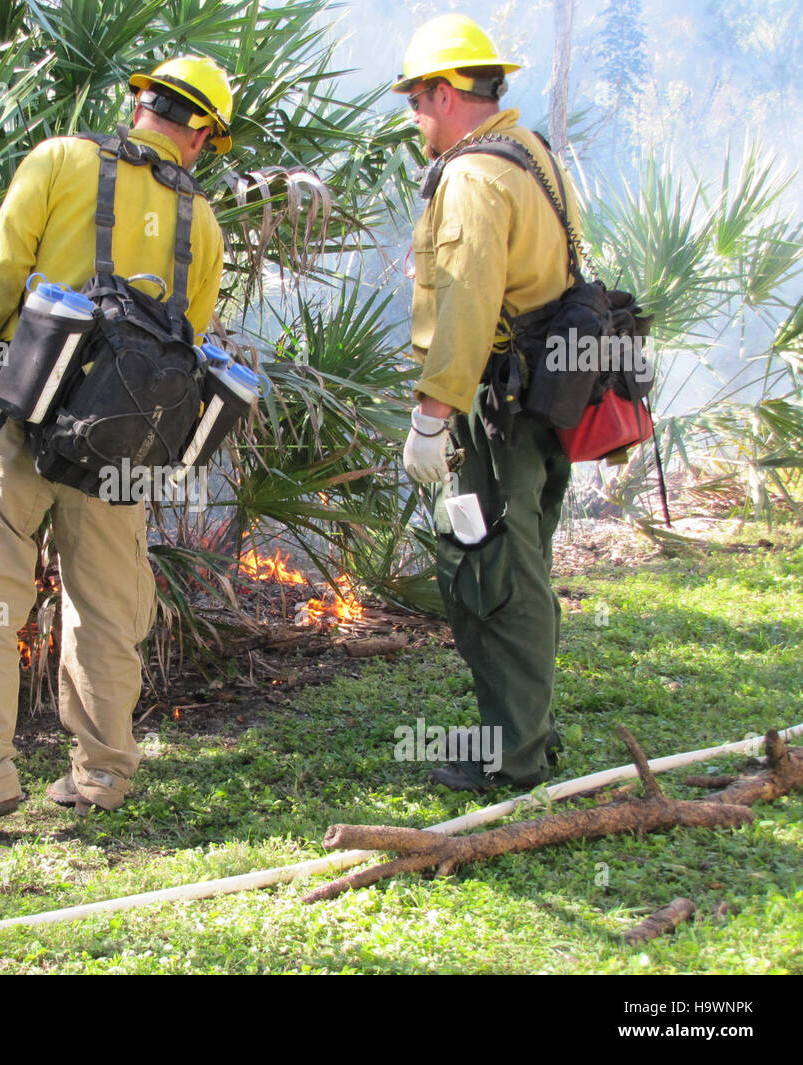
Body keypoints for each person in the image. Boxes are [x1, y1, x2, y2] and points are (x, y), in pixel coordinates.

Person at [0, 57, 232, 829]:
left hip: (21, 420)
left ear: (141, 107)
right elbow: (187, 346)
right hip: (119, 451)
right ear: (199, 136)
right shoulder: (207, 226)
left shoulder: (59, 160)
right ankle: (102, 776)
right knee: (106, 608)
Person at [394, 15, 577, 791]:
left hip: (491, 405)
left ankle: (513, 752)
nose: (412, 118)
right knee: (520, 562)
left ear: (445, 91)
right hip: (541, 400)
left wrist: (431, 417)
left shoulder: (472, 177)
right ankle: (525, 728)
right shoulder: (529, 152)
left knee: (493, 574)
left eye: (416, 100)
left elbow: (466, 307)